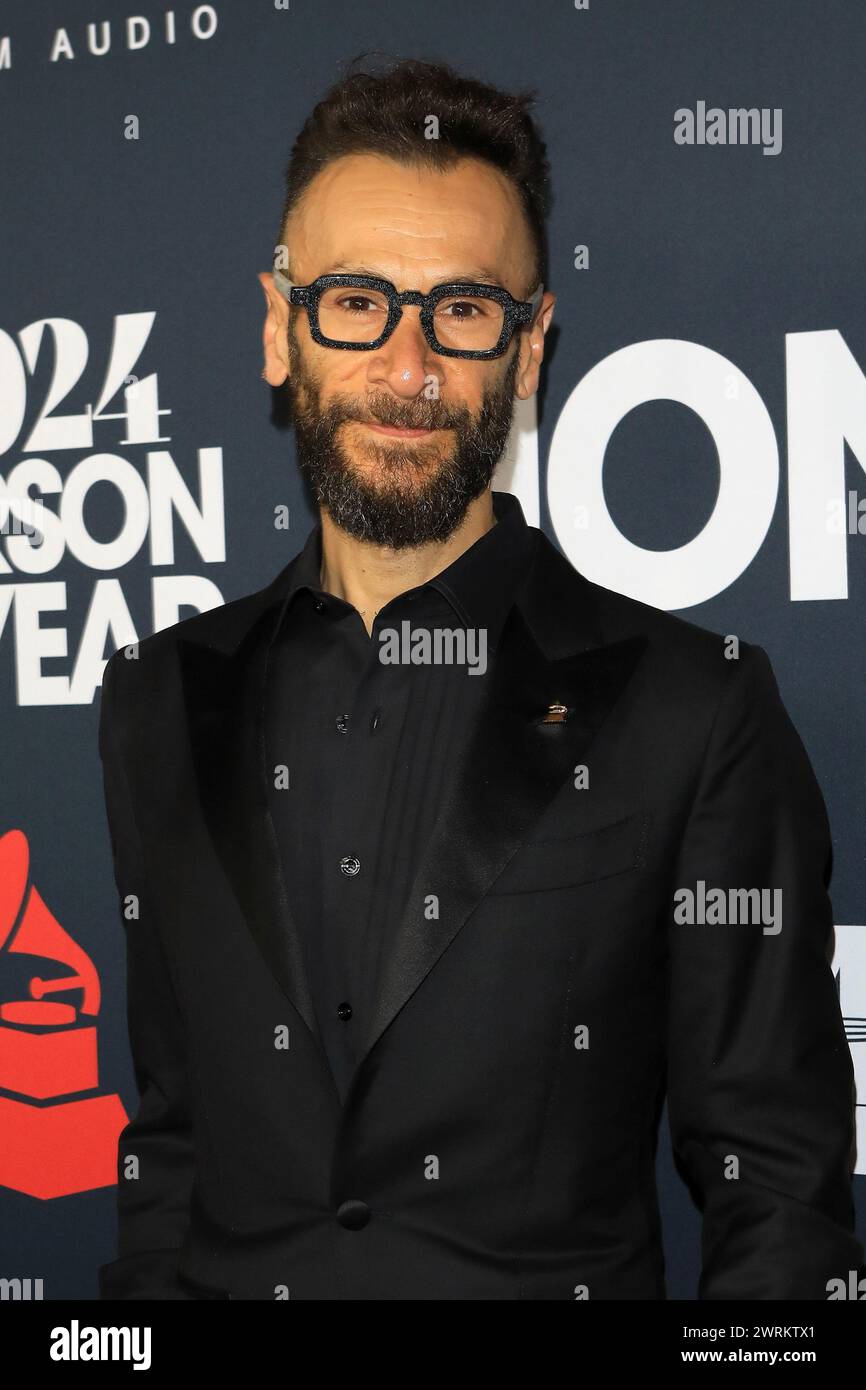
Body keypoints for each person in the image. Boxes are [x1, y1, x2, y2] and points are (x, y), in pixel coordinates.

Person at [98, 57, 863, 1300]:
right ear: (276, 325)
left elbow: (776, 1196)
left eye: (461, 310)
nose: (406, 370)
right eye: (355, 301)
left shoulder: (693, 707)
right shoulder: (156, 701)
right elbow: (176, 1149)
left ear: (529, 344)